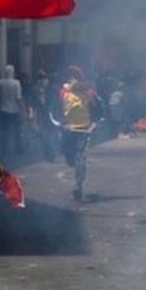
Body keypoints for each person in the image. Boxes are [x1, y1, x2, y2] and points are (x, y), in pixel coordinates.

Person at [60, 66, 102, 201]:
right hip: (68, 129)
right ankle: (78, 183)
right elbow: (57, 108)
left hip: (84, 129)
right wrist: (60, 123)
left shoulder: (89, 93)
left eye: (76, 77)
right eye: (71, 77)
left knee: (80, 158)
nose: (74, 80)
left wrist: (94, 124)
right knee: (69, 157)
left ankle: (78, 185)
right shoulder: (63, 92)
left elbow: (98, 109)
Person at [0, 65, 24, 157]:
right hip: (14, 110)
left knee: (4, 131)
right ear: (13, 72)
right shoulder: (16, 83)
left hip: (3, 110)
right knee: (16, 130)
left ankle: (4, 150)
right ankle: (17, 148)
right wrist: (23, 110)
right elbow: (18, 98)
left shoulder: (0, 82)